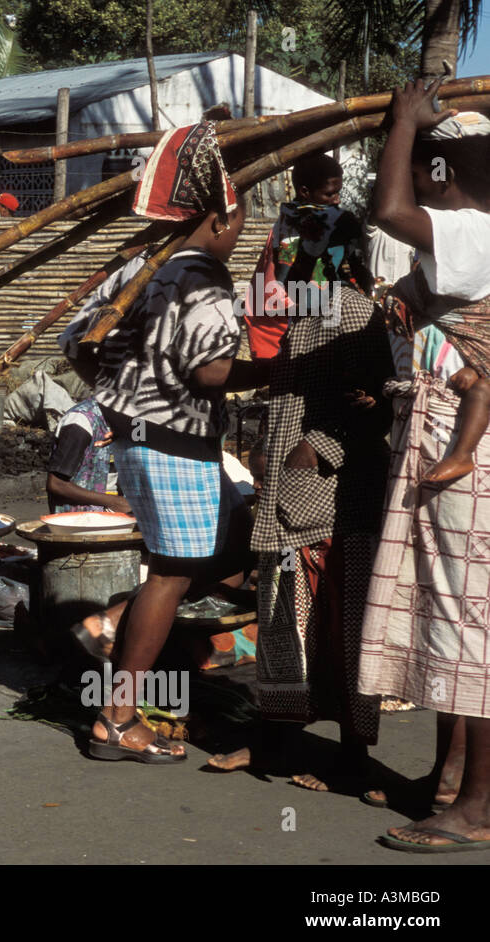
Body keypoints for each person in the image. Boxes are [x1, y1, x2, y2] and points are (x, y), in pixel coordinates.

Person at [60, 121, 258, 763]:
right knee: (176, 570)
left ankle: (111, 625)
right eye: (240, 222)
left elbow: (77, 342)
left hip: (137, 437)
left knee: (185, 561)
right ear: (220, 217)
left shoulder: (146, 270)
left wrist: (121, 400)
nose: (240, 235)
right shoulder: (202, 276)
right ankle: (115, 718)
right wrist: (281, 373)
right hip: (176, 440)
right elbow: (209, 373)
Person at [357, 82, 490, 852]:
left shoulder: (470, 229)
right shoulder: (469, 245)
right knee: (458, 622)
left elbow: (389, 215)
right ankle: (450, 780)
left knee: (469, 629)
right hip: (454, 449)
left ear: (440, 172)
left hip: (460, 459)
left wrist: (403, 122)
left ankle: (474, 806)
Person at [207, 280, 394, 792]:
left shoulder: (354, 312)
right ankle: (279, 742)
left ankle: (354, 755)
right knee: (283, 621)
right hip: (292, 496)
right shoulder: (302, 316)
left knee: (342, 626)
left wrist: (318, 446)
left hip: (335, 497)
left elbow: (378, 404)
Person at [243, 153, 372, 362]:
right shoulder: (309, 226)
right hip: (291, 315)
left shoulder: (288, 220)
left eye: (338, 192)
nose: (337, 200)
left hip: (285, 312)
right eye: (330, 194)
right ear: (304, 191)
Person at [45, 398, 129, 514]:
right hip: (80, 518)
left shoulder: (134, 420)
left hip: (118, 509)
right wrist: (114, 502)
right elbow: (56, 484)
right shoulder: (80, 421)